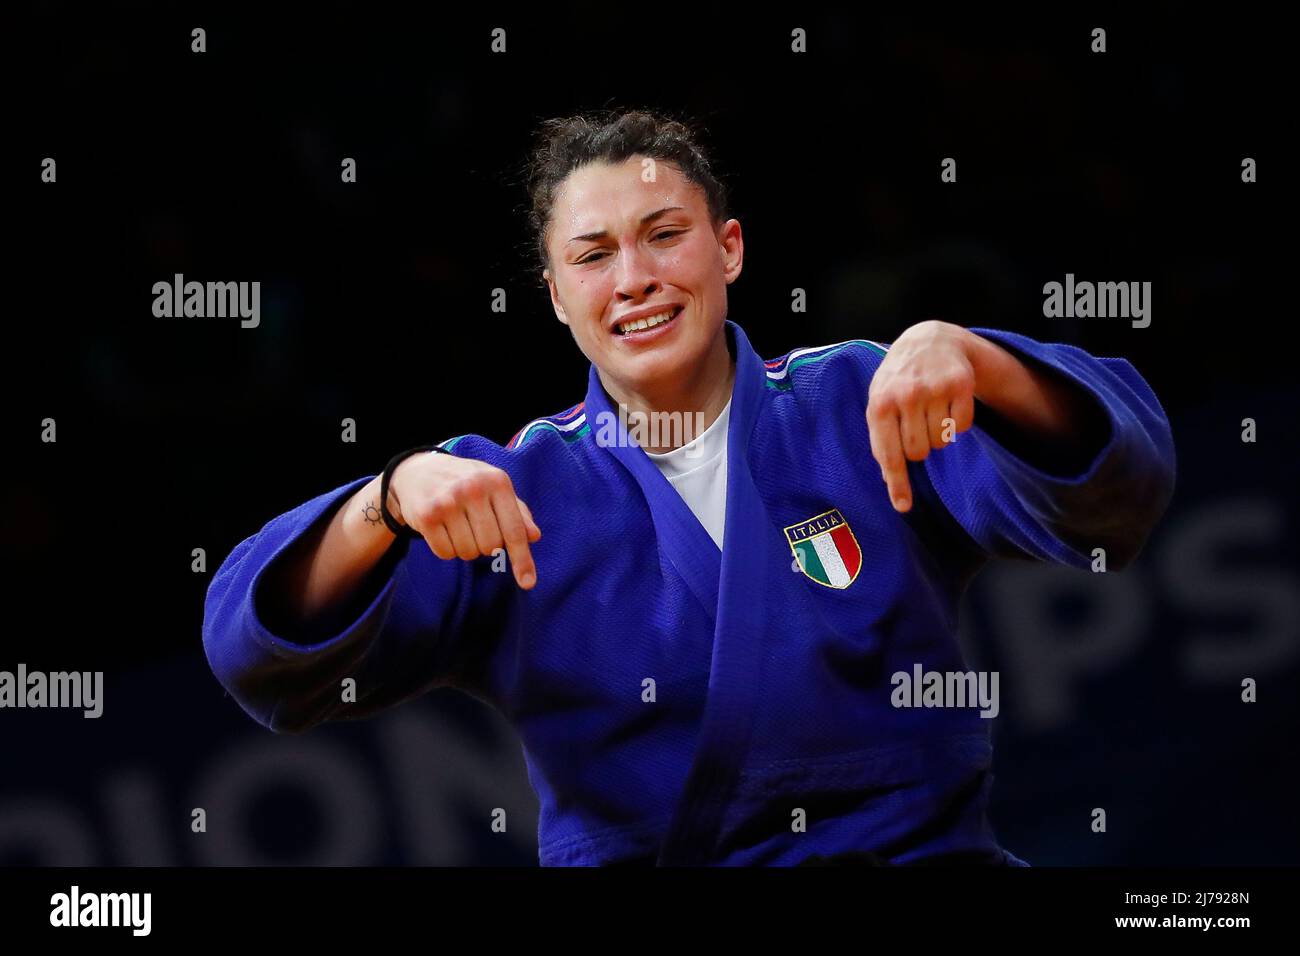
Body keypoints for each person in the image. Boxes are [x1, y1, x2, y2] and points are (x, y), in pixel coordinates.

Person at [202, 109, 1176, 866]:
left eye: (663, 234)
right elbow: (258, 659)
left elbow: (1115, 492)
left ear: (729, 249)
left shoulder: (854, 399)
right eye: (591, 254)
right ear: (553, 295)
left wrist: (971, 356)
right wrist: (386, 498)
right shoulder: (508, 484)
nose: (632, 277)